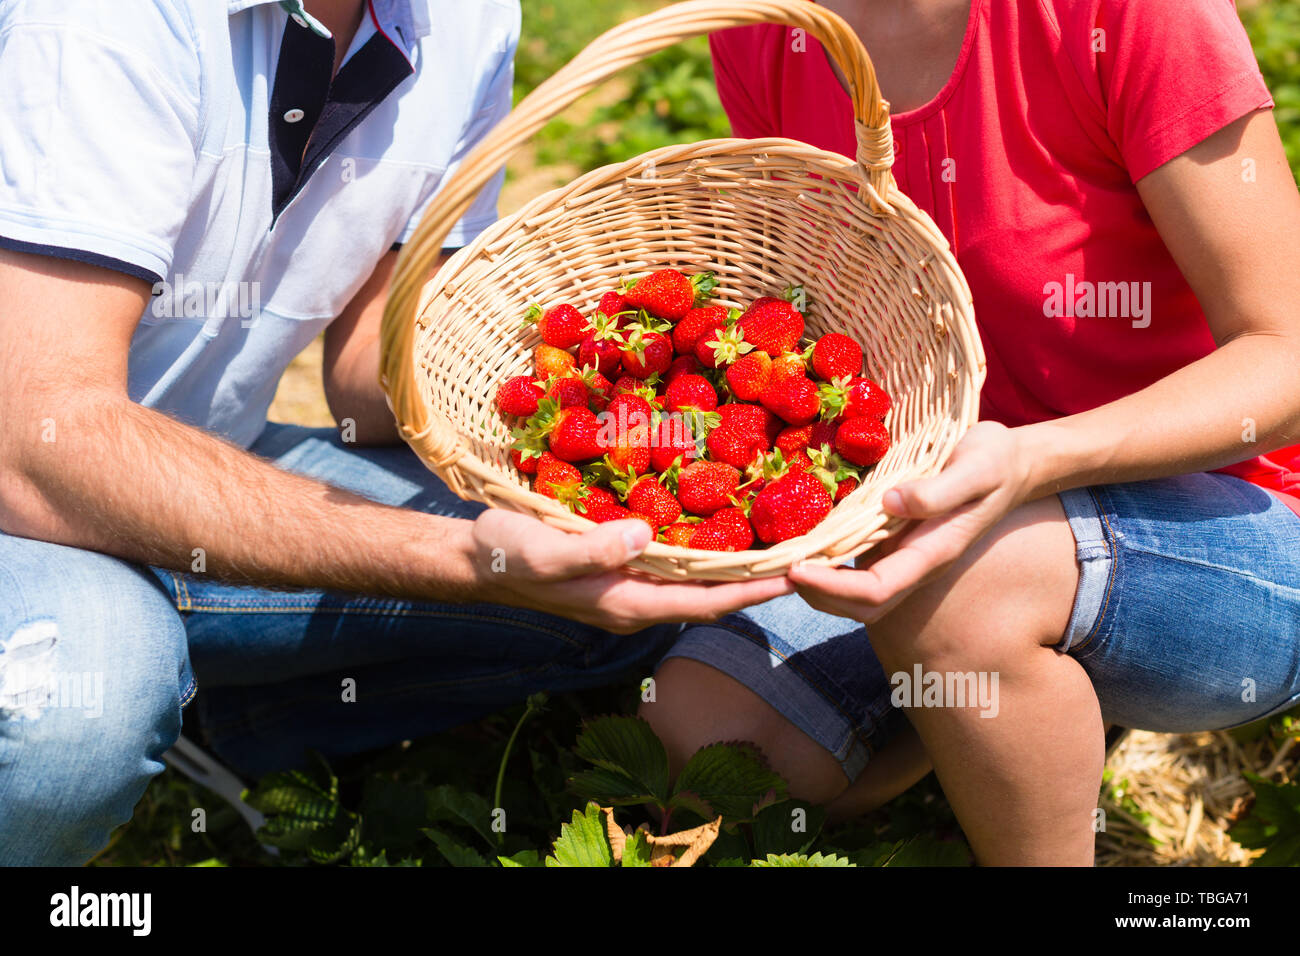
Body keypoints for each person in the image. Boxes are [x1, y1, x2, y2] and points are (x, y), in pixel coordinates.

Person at [0, 0, 808, 866]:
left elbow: (363, 364)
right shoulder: (107, 18)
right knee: (74, 721)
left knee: (619, 579)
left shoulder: (466, 20)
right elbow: (40, 443)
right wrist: (464, 560)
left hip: (210, 448)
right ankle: (116, 686)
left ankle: (211, 713)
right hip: (30, 490)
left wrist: (571, 393)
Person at [641, 0, 1300, 865]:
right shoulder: (764, 31)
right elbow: (824, 322)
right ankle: (995, 708)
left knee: (969, 579)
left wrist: (1033, 459)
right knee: (701, 732)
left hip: (1235, 515)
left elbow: (1283, 355)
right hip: (958, 504)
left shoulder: (1129, 16)